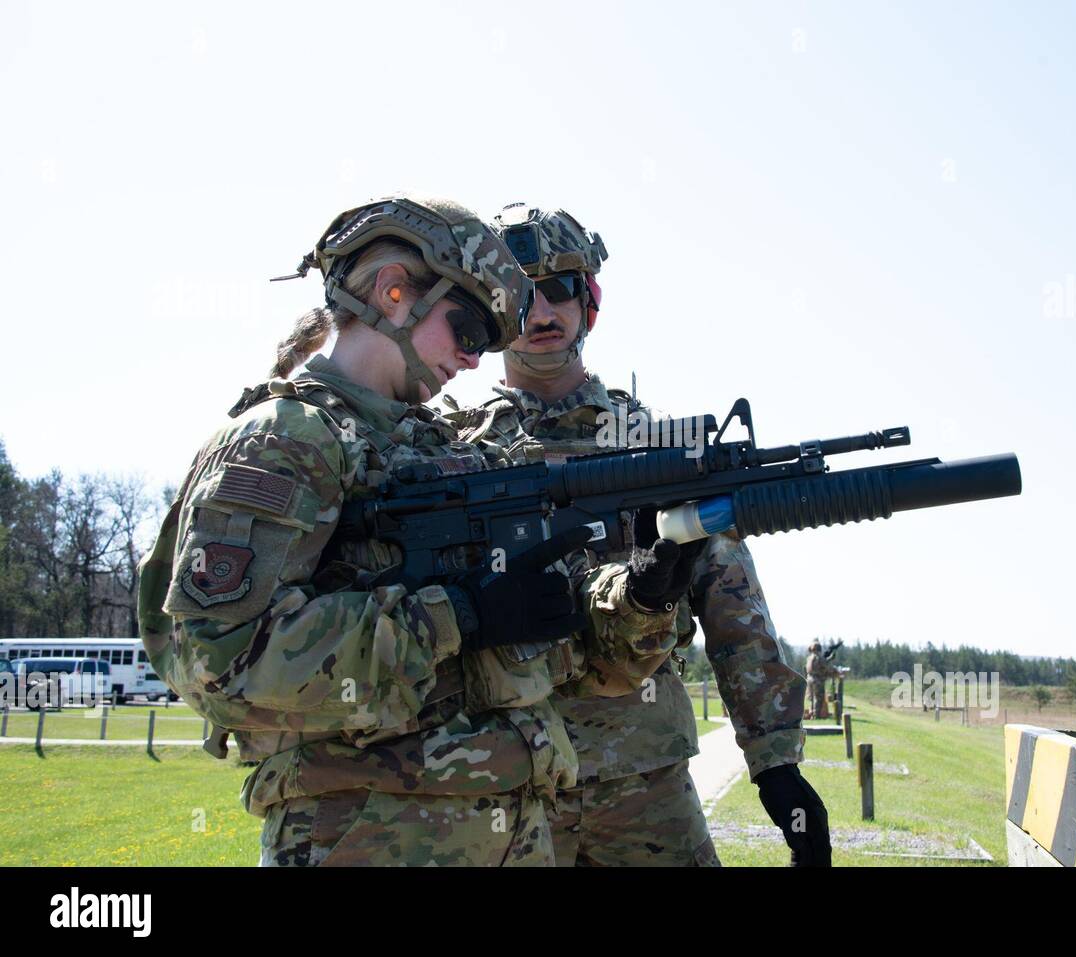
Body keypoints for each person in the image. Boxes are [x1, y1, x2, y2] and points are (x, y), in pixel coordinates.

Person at [137, 196, 695, 867]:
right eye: (466, 330)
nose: (473, 359)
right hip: (365, 837)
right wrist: (455, 614)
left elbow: (559, 658)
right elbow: (221, 662)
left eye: (487, 341)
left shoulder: (443, 449)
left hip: (514, 830)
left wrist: (636, 597)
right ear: (391, 290)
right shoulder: (284, 440)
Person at [447, 203, 831, 866]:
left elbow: (730, 596)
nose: (542, 312)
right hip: (499, 778)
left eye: (561, 288)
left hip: (642, 777)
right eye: (522, 292)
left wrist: (774, 761)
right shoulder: (448, 450)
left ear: (589, 301)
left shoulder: (653, 446)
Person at [805, 641, 839, 719]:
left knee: (812, 698)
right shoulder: (818, 657)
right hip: (817, 680)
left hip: (809, 679)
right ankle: (816, 715)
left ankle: (812, 713)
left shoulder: (810, 657)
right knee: (818, 698)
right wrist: (831, 660)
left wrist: (829, 658)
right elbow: (825, 666)